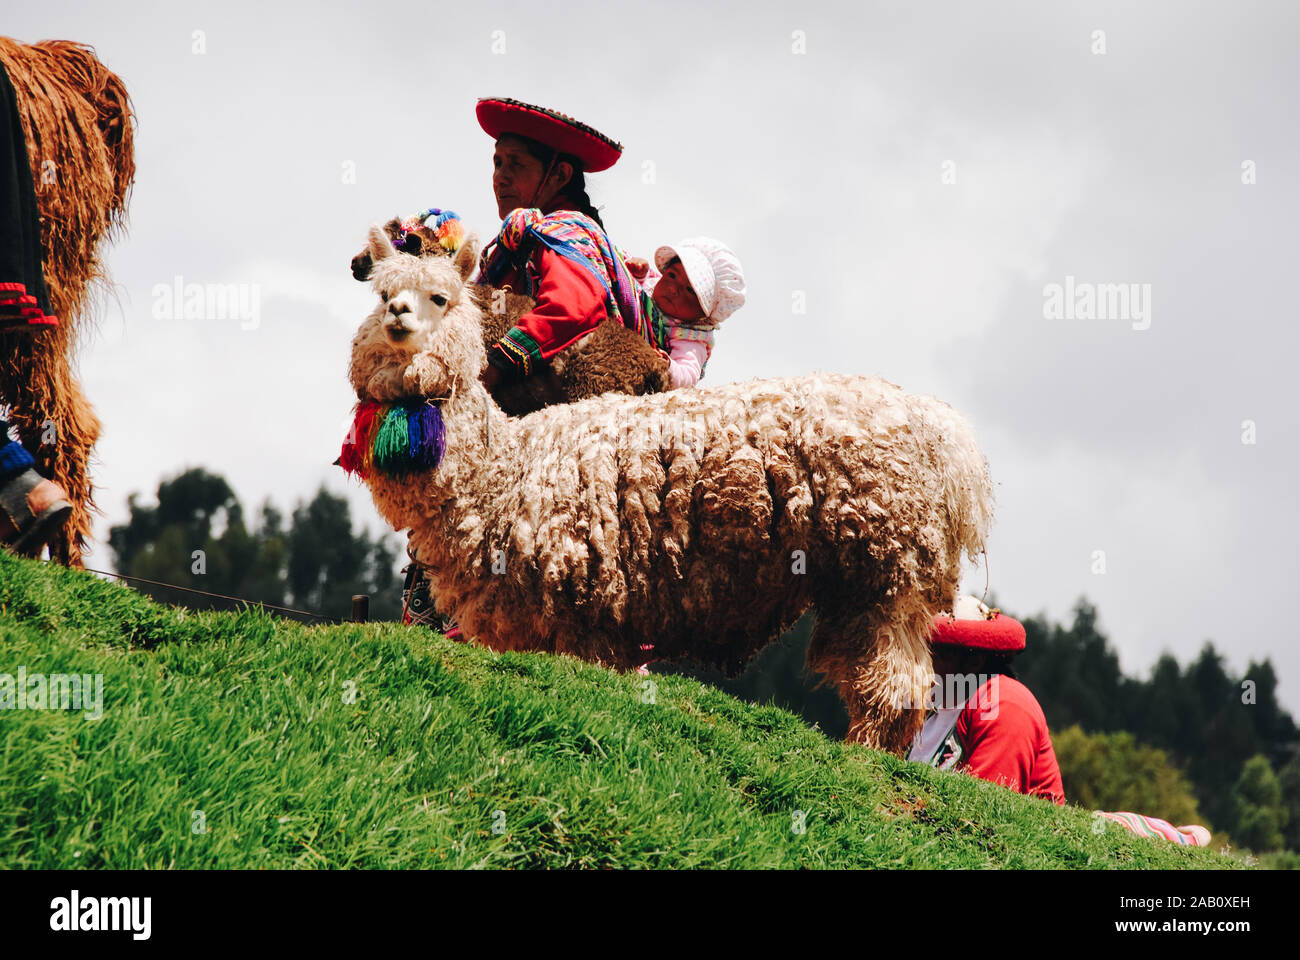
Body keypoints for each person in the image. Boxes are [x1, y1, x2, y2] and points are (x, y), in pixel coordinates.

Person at [911, 595, 1212, 847]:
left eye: (935, 653)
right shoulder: (934, 710)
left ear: (973, 661)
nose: (923, 662)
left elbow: (981, 810)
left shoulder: (1004, 702)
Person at [627, 238, 745, 389]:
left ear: (703, 314)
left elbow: (688, 374)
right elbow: (638, 287)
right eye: (672, 276)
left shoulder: (691, 336)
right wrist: (638, 274)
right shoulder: (652, 284)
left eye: (690, 290)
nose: (673, 289)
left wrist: (669, 367)